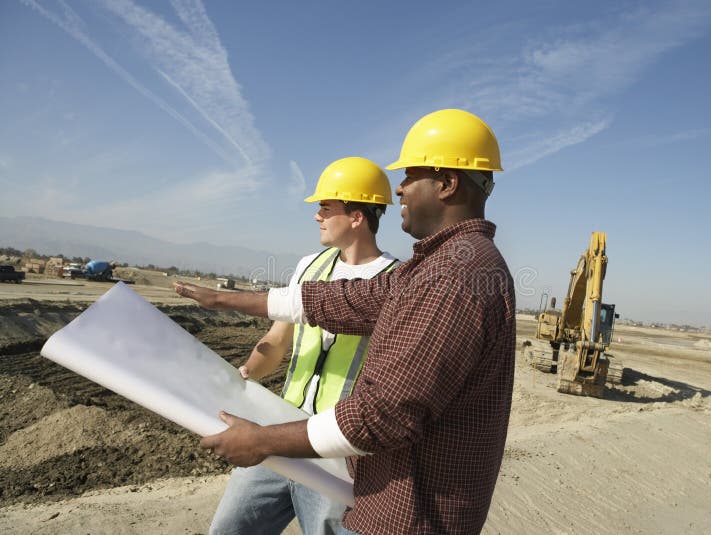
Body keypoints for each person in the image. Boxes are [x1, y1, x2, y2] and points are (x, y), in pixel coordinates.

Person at [175, 109, 515, 535]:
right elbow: (348, 300)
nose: (400, 188)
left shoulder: (454, 275)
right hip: (364, 477)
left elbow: (384, 414)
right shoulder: (438, 265)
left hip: (402, 513)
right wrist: (224, 299)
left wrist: (262, 440)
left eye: (410, 176)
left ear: (447, 184)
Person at [208, 156, 397, 535]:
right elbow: (277, 340)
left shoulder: (396, 282)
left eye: (326, 207)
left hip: (336, 452)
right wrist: (246, 373)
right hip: (278, 432)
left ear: (357, 215)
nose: (317, 216)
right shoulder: (309, 267)